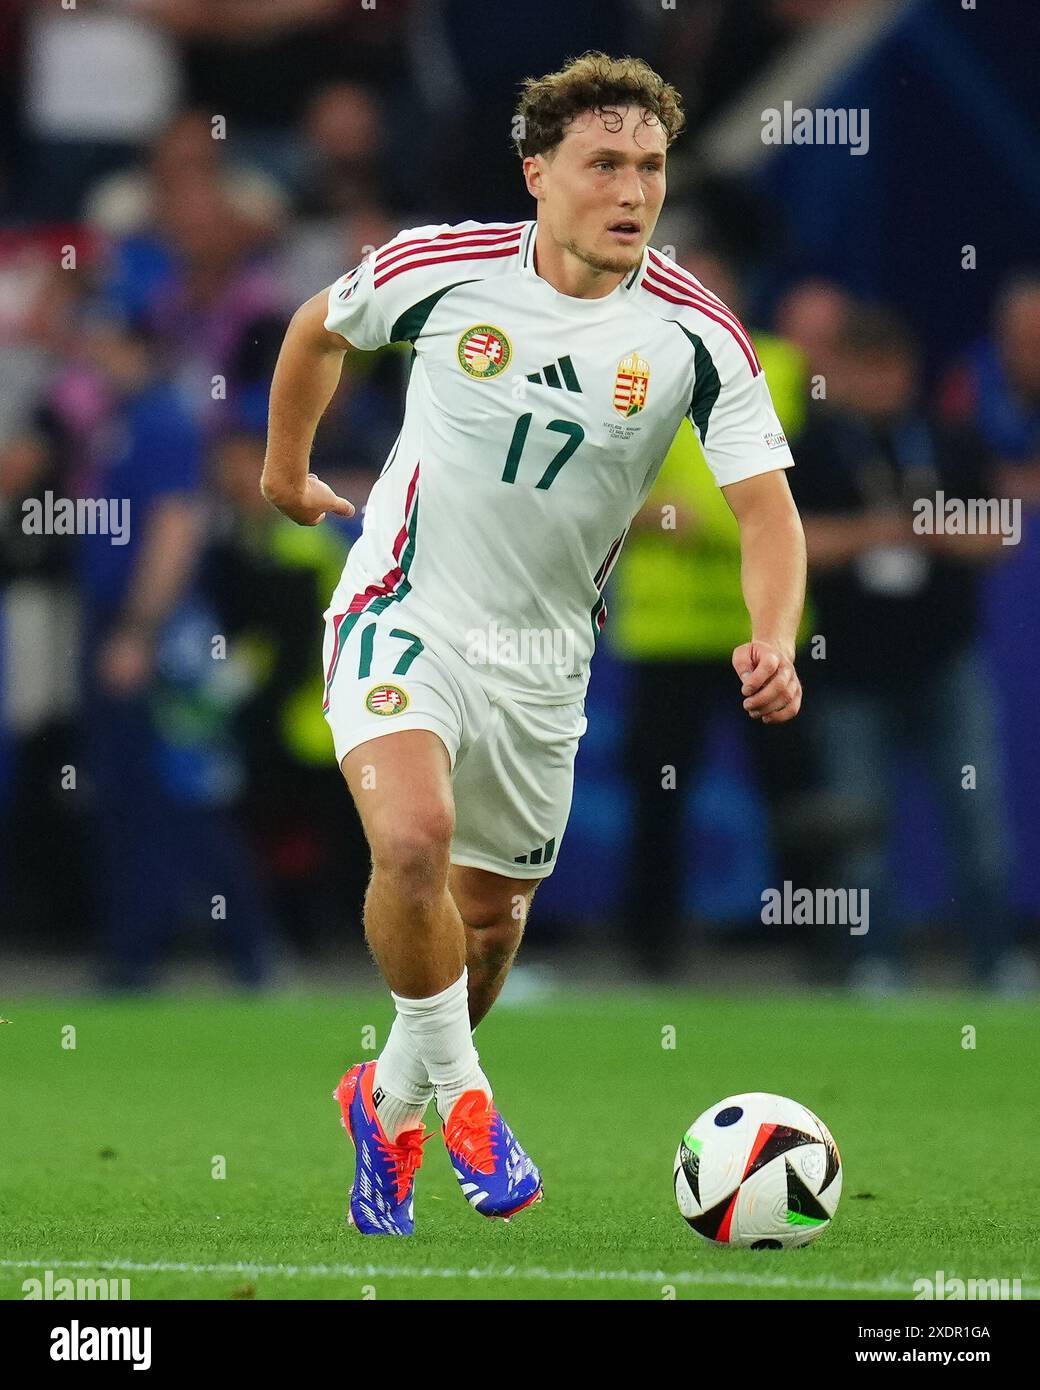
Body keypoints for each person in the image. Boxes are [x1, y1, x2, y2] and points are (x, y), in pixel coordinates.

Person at [262, 52, 806, 1237]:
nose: (631, 189)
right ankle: (466, 1099)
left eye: (649, 167)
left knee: (490, 920)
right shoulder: (443, 267)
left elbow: (765, 507)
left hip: (545, 661)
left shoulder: (694, 330)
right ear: (537, 174)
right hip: (402, 607)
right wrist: (285, 470)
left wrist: (772, 637)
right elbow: (318, 327)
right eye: (603, 163)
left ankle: (389, 1092)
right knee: (412, 838)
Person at [790, 305, 1026, 994]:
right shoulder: (816, 447)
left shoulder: (951, 441)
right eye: (866, 371)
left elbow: (1002, 533)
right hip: (851, 669)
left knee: (979, 819)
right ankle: (873, 963)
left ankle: (996, 959)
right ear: (846, 373)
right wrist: (873, 532)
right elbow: (794, 540)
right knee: (859, 828)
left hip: (946, 659)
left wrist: (930, 528)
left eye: (892, 370)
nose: (882, 384)